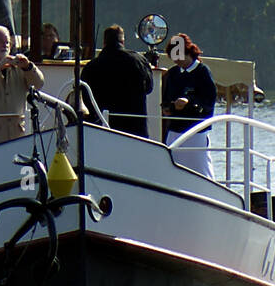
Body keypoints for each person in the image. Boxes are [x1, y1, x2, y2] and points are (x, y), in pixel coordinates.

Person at [80, 23, 153, 136]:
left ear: (104, 43)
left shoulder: (90, 67)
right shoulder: (139, 60)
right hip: (135, 131)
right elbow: (149, 88)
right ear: (122, 41)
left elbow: (86, 97)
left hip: (103, 129)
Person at [161, 34, 217, 177]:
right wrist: (168, 108)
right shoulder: (173, 74)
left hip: (195, 131)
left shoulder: (202, 72)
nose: (176, 60)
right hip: (175, 129)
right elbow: (166, 98)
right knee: (171, 166)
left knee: (200, 168)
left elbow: (209, 102)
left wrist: (190, 103)